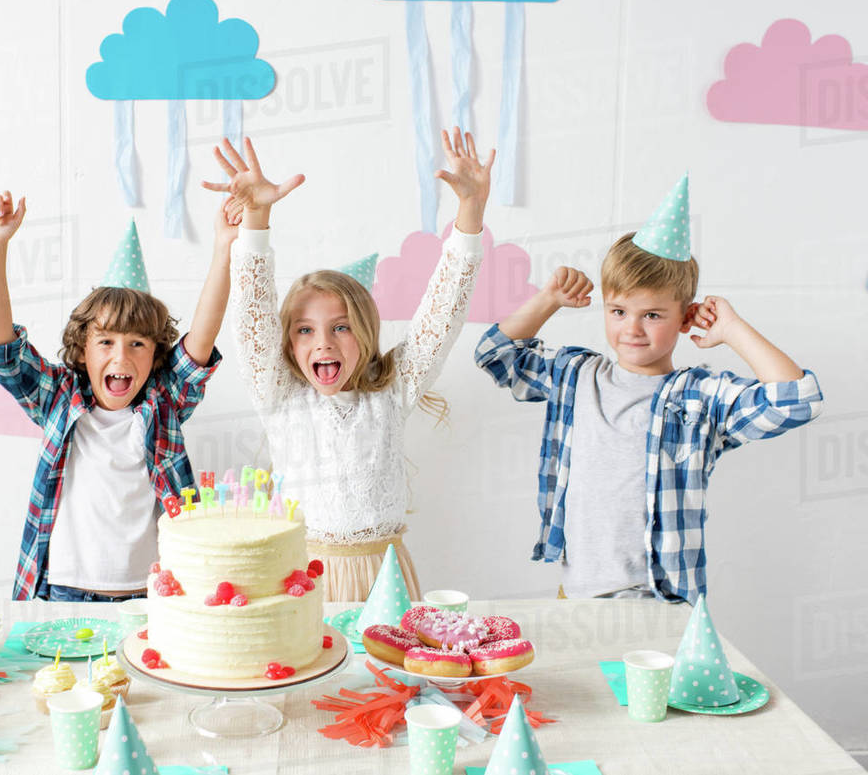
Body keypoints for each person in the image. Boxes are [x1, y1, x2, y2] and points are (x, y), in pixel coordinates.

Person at [475, 182, 823, 603]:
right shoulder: (576, 376)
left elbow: (797, 400)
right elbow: (496, 356)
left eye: (652, 314)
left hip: (657, 599)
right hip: (577, 591)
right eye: (619, 311)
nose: (632, 329)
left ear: (684, 317)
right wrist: (548, 299)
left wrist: (732, 329)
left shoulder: (697, 398)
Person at [208, 131, 493, 600]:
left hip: (385, 580)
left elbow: (442, 312)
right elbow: (250, 316)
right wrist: (256, 218)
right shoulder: (278, 395)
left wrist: (470, 212)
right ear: (288, 342)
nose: (323, 342)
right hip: (302, 577)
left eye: (340, 327)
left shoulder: (392, 391)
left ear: (365, 333)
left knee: (385, 677)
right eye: (305, 330)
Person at [0, 192, 231, 601]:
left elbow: (202, 336)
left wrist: (222, 248)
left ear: (156, 356)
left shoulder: (163, 404)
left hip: (149, 591)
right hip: (64, 588)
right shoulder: (59, 398)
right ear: (82, 350)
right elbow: (1, 353)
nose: (120, 356)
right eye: (106, 342)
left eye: (137, 344)